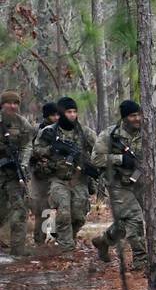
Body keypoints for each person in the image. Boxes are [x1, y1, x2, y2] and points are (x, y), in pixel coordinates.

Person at [91, 99, 156, 270]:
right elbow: (96, 158)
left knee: (126, 224)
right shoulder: (110, 135)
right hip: (118, 184)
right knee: (134, 218)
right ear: (125, 117)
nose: (137, 118)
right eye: (133, 115)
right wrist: (120, 159)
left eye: (139, 114)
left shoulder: (148, 133)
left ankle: (104, 241)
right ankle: (140, 260)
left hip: (140, 182)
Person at [32, 97, 97, 253]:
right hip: (58, 179)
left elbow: (98, 150)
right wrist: (53, 150)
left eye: (75, 112)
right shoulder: (49, 132)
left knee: (79, 216)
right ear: (61, 113)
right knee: (64, 213)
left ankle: (66, 237)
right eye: (69, 112)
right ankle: (66, 249)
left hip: (79, 179)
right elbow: (36, 150)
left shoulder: (85, 132)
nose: (72, 115)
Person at [0, 89, 35, 258]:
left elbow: (27, 146)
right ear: (2, 105)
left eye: (15, 103)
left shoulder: (23, 124)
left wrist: (22, 163)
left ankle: (17, 250)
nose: (12, 106)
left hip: (14, 174)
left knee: (20, 209)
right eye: (9, 103)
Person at [28, 101, 61, 246]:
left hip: (56, 172)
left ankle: (54, 235)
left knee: (56, 206)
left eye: (58, 114)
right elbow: (28, 149)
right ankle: (40, 240)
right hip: (39, 174)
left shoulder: (61, 130)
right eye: (54, 115)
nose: (56, 117)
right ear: (47, 116)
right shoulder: (36, 130)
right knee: (41, 207)